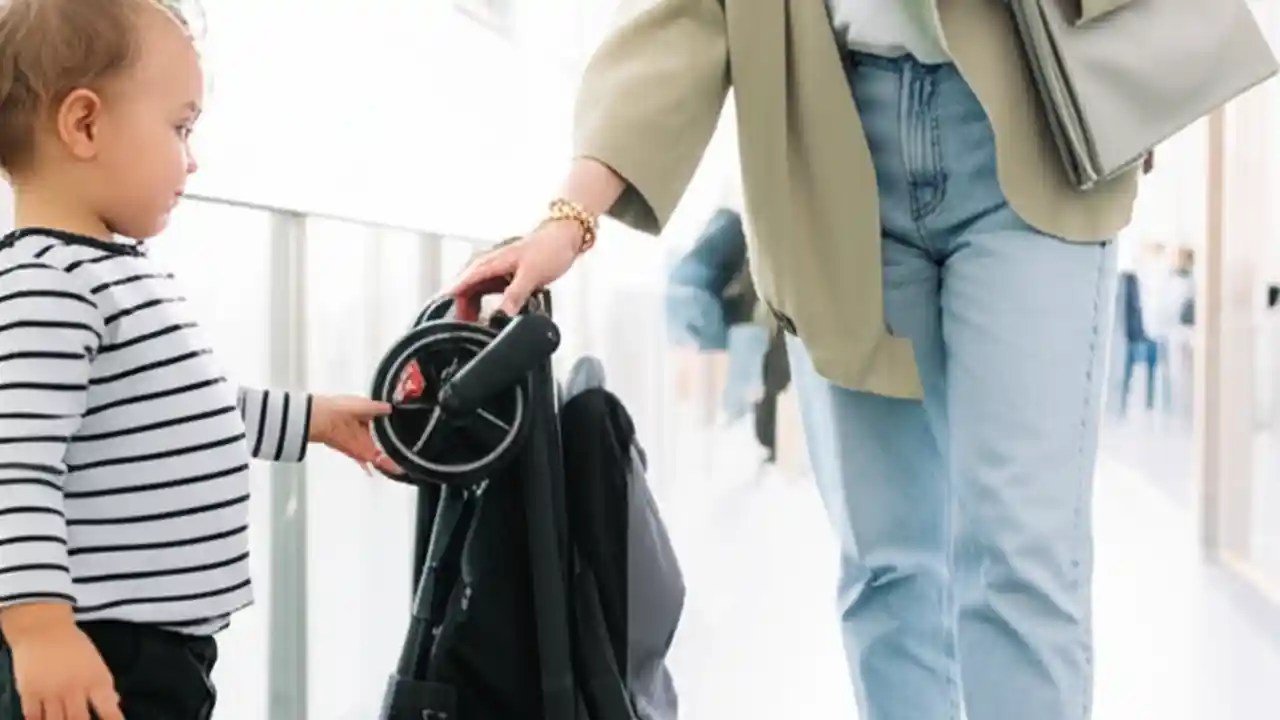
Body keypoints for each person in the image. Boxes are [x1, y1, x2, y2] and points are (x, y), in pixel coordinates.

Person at [448, 2, 1143, 720]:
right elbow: (688, 18)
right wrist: (571, 214)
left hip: (1028, 122)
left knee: (1022, 555)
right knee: (886, 566)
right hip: (834, 146)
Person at [0, 2, 397, 719]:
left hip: (154, 644)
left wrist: (308, 419)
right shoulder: (49, 286)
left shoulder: (114, 272)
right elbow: (14, 467)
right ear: (84, 125)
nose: (193, 156)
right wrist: (38, 627)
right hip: (93, 648)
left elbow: (182, 407)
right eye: (180, 128)